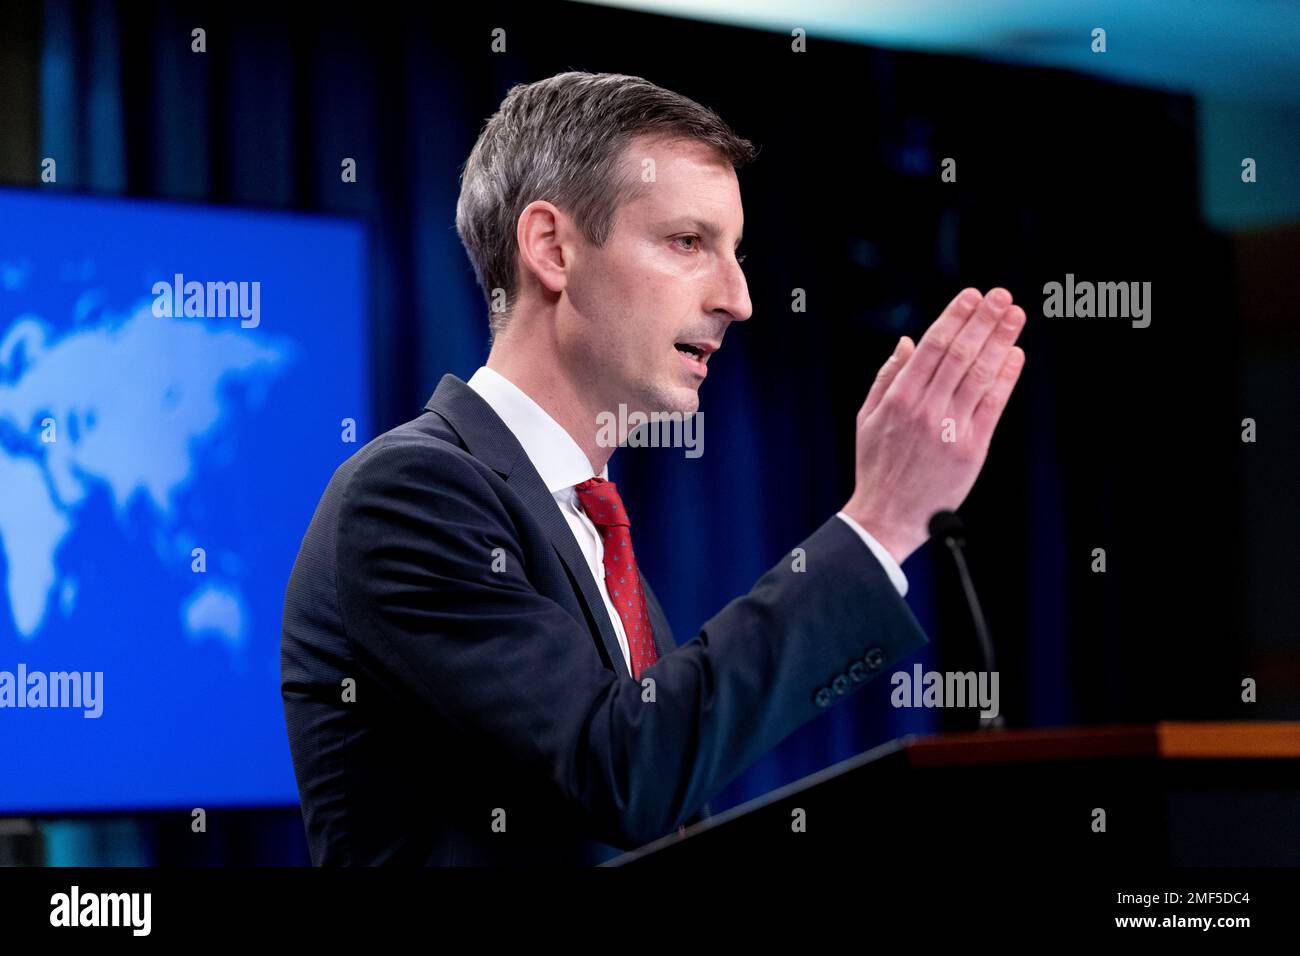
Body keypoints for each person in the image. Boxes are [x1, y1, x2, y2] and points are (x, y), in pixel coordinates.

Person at [281, 71, 1027, 866]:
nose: (739, 298)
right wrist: (880, 521)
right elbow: (625, 773)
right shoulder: (409, 496)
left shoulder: (589, 526)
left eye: (736, 252)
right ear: (552, 249)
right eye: (688, 243)